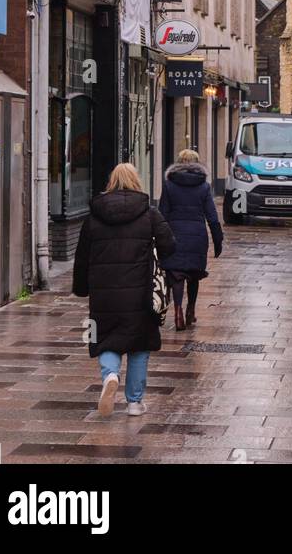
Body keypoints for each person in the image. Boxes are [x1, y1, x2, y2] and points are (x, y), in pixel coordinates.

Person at [73, 162, 176, 419]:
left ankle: (109, 375)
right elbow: (170, 246)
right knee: (139, 346)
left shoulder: (93, 217)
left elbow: (82, 258)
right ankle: (134, 403)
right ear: (136, 181)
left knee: (106, 339)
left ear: (111, 182)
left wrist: (82, 289)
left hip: (103, 295)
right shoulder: (149, 214)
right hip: (140, 294)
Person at [159, 149, 223, 331]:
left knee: (177, 275)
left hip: (174, 234)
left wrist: (158, 238)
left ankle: (177, 311)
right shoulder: (204, 186)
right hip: (197, 236)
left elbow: (163, 213)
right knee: (193, 275)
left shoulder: (169, 185)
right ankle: (190, 311)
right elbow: (212, 216)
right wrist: (218, 240)